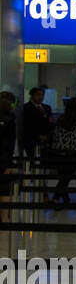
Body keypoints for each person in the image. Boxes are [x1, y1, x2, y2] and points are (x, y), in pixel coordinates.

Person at [52, 97, 76, 204]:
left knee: (63, 177)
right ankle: (55, 197)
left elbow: (55, 137)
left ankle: (65, 199)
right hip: (74, 153)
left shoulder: (60, 120)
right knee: (66, 178)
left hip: (59, 152)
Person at [21, 87, 53, 201]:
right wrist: (37, 136)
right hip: (31, 142)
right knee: (35, 167)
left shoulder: (46, 108)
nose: (40, 97)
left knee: (44, 167)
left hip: (45, 143)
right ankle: (39, 191)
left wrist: (47, 137)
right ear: (32, 95)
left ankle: (44, 191)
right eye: (38, 94)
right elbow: (26, 126)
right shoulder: (26, 108)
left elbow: (50, 124)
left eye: (42, 95)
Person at [0, 92, 16, 223]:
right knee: (4, 189)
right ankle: (4, 219)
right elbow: (10, 144)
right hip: (3, 159)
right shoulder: (10, 120)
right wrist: (10, 164)